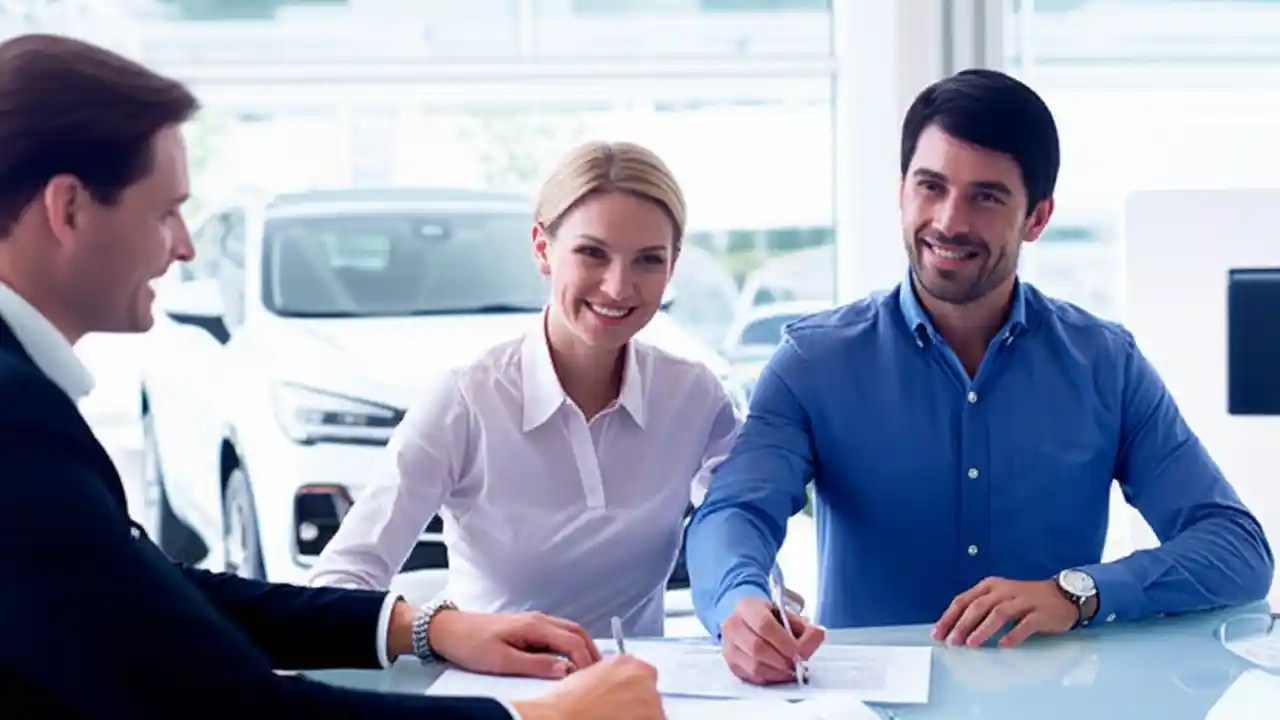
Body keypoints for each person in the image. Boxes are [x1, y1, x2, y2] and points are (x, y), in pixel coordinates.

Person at [0, 33, 664, 719]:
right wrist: (542, 718)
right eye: (166, 212)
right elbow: (230, 707)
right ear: (69, 208)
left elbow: (140, 592)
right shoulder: (14, 421)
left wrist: (426, 627)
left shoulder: (20, 401)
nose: (186, 246)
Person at [687, 68, 1274, 684]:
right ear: (901, 191)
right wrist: (739, 603)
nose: (948, 220)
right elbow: (734, 514)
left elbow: (1234, 547)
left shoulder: (1106, 364)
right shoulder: (813, 363)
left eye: (986, 197)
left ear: (1037, 217)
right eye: (931, 186)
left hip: (1049, 707)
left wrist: (1076, 594)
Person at [309, 140, 740, 640]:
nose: (619, 287)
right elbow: (340, 582)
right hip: (497, 696)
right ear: (542, 248)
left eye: (648, 260)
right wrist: (435, 632)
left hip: (635, 695)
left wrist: (755, 603)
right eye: (591, 253)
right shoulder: (466, 401)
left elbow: (740, 528)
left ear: (673, 265)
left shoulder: (693, 396)